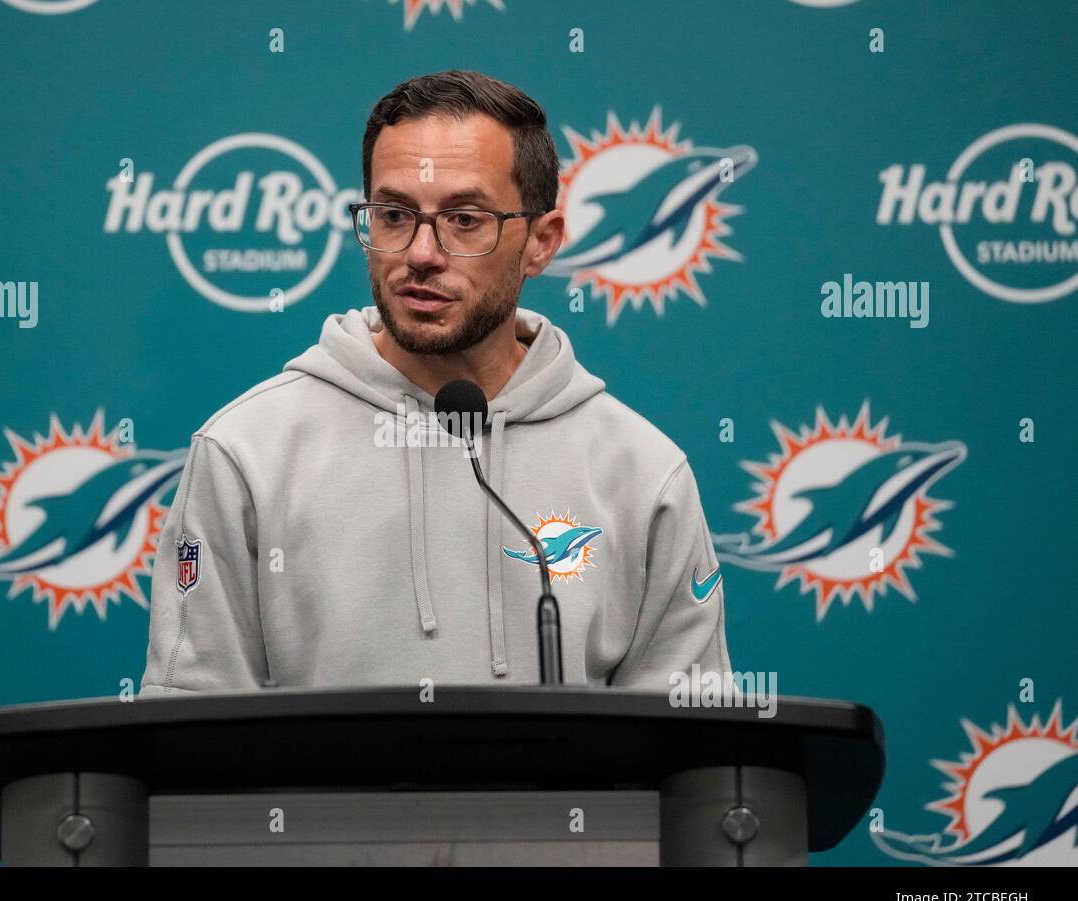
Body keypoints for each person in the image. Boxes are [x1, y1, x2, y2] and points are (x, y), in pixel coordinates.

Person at [139, 70, 731, 696]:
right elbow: (192, 740)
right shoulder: (245, 451)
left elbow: (694, 758)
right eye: (394, 215)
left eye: (465, 219)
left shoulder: (642, 471)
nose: (421, 252)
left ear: (541, 242)